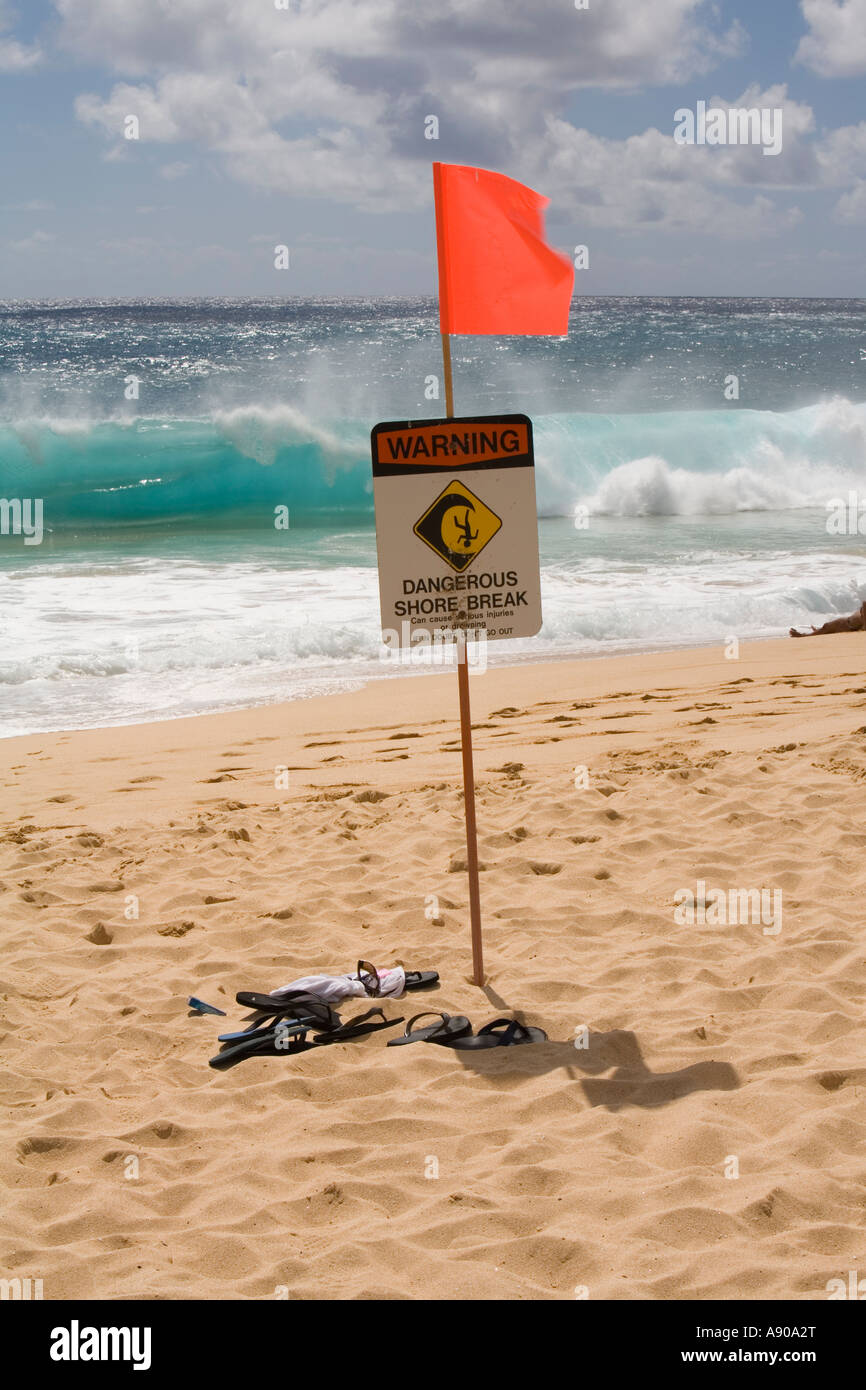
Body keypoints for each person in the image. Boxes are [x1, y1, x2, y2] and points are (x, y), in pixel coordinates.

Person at [790, 601, 866, 637]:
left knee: (826, 627)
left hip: (846, 624)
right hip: (847, 624)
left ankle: (804, 636)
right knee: (825, 628)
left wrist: (864, 625)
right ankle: (815, 631)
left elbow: (864, 603)